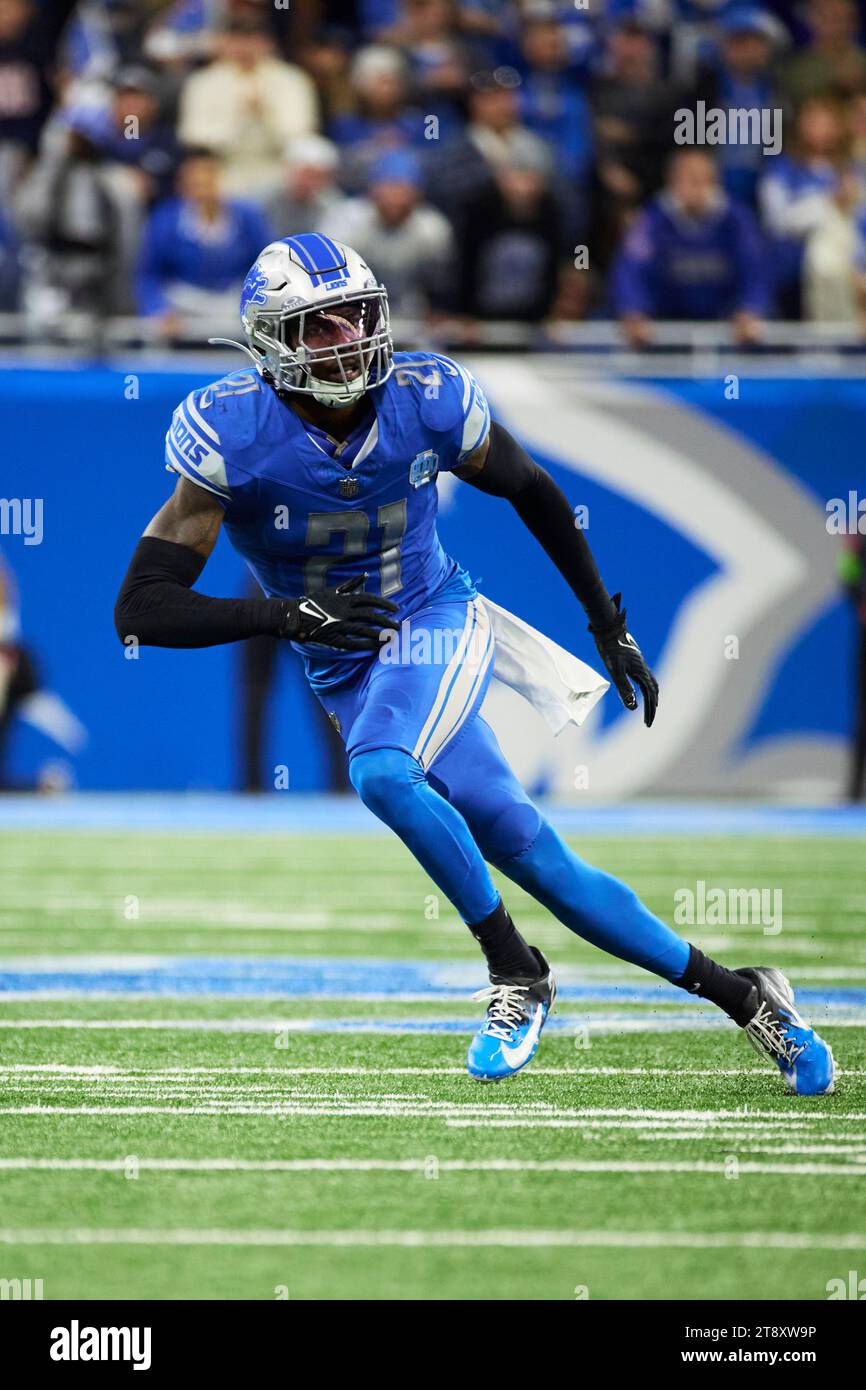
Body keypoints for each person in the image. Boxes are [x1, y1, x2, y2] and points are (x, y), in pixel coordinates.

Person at [114, 231, 835, 1095]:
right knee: (538, 859)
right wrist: (283, 614)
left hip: (432, 618)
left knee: (381, 772)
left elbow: (531, 487)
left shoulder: (427, 397)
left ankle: (515, 970)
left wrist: (606, 623)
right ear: (272, 340)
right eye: (322, 327)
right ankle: (749, 996)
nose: (349, 340)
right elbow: (141, 608)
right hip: (345, 664)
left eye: (358, 317)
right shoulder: (232, 434)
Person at [612, 148, 769, 347]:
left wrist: (750, 309)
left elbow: (755, 267)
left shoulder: (736, 220)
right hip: (664, 322)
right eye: (688, 179)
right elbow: (631, 268)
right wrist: (633, 310)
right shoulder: (653, 220)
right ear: (671, 181)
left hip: (725, 320)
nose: (696, 188)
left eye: (702, 179)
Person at [135, 148, 273, 335]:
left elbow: (267, 267)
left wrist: (258, 306)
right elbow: (149, 274)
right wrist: (158, 310)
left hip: (235, 305)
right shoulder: (164, 220)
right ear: (182, 186)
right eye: (195, 183)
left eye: (208, 181)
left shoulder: (248, 217)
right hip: (181, 306)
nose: (203, 190)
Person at [177, 16, 318, 197]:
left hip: (280, 172)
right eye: (237, 39)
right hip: (223, 171)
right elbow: (192, 135)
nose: (245, 47)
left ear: (268, 43)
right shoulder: (202, 82)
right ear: (224, 42)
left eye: (252, 39)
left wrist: (265, 114)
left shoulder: (292, 79)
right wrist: (238, 121)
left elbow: (302, 135)